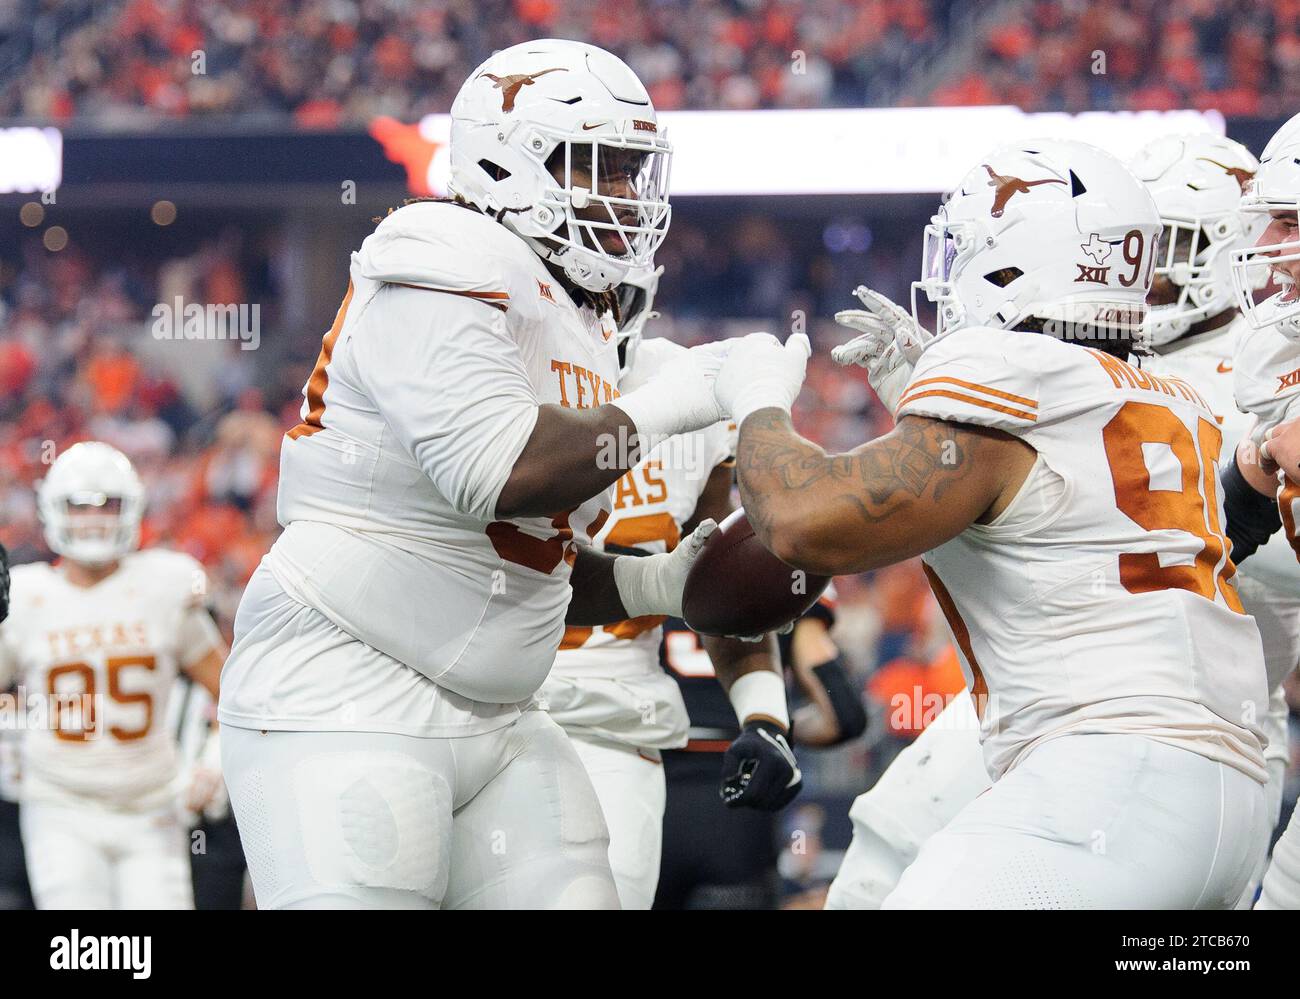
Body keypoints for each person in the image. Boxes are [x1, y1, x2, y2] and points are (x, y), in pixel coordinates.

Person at [217, 39, 735, 910]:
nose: (619, 195)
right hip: (352, 682)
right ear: (504, 160)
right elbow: (492, 472)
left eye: (629, 170)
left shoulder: (579, 313)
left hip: (500, 713)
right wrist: (673, 404)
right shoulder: (442, 248)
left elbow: (530, 559)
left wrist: (661, 581)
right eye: (593, 164)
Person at [711, 138, 1269, 908]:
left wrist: (757, 402)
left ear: (1018, 262)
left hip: (1106, 773)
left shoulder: (1000, 371)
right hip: (1225, 791)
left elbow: (802, 524)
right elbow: (1046, 498)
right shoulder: (1173, 394)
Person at [542, 264, 803, 908]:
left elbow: (714, 582)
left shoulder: (685, 384)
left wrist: (764, 714)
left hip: (615, 717)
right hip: (475, 700)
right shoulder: (487, 366)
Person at [0, 442, 226, 909]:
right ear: (53, 509)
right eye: (79, 505)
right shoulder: (25, 595)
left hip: (154, 804)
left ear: (134, 508)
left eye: (110, 504)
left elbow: (232, 690)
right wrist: (13, 737)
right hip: (60, 803)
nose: (94, 518)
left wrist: (215, 756)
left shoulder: (165, 584)